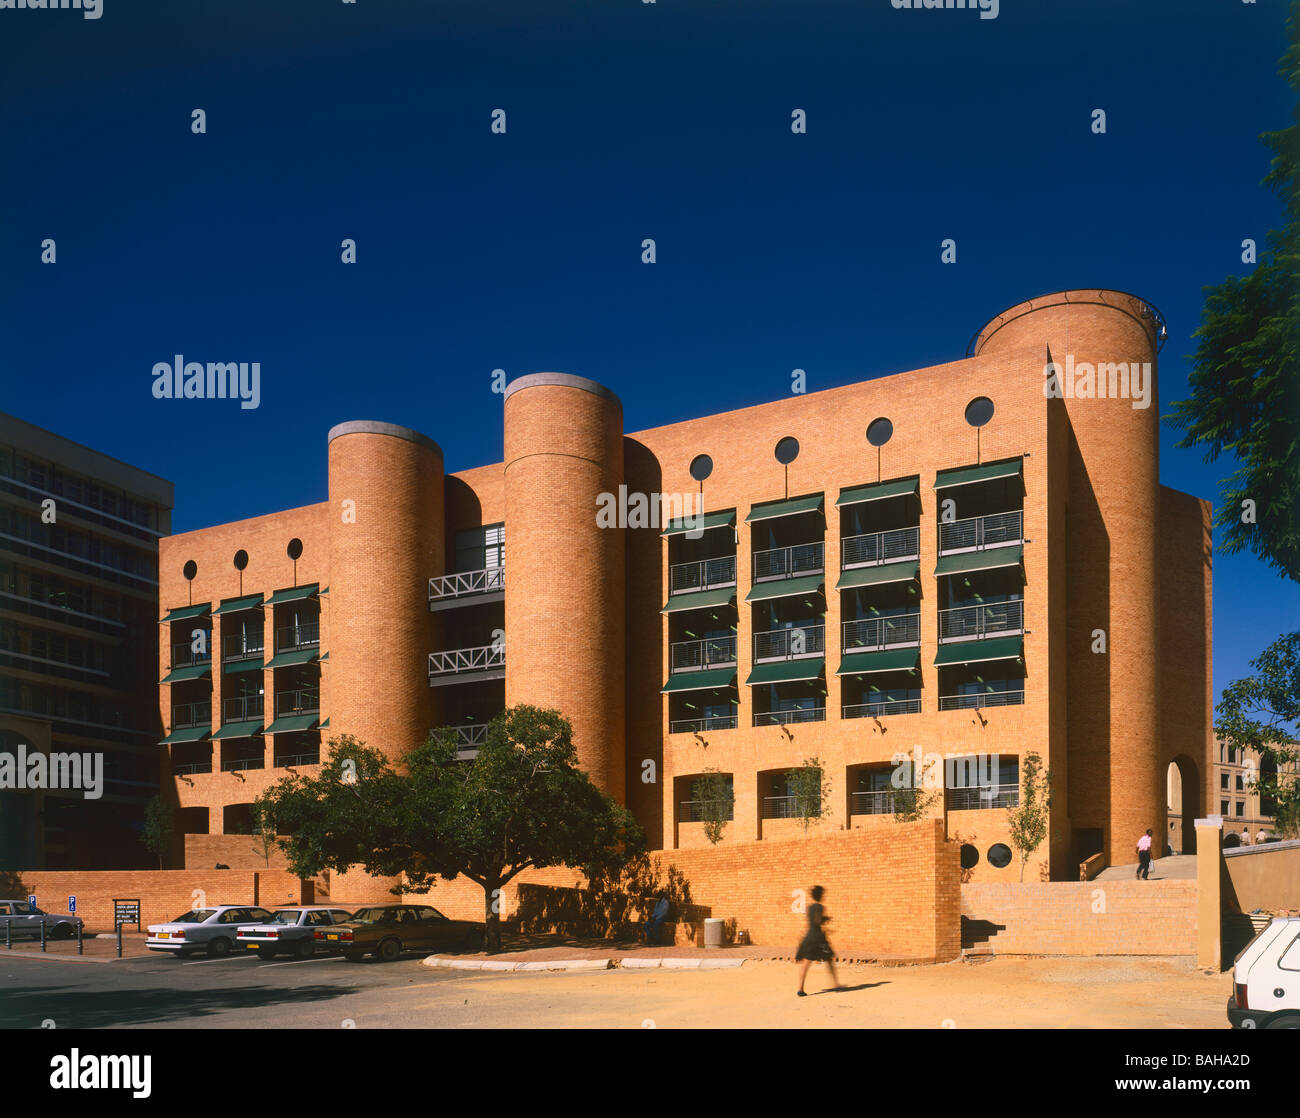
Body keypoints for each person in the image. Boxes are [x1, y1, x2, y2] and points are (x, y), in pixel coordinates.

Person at [795, 885, 841, 995]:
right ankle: (835, 984)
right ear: (820, 895)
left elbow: (812, 921)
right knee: (829, 960)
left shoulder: (809, 907)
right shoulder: (819, 907)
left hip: (810, 937)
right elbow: (817, 921)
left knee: (806, 963)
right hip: (818, 938)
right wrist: (826, 919)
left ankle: (800, 989)